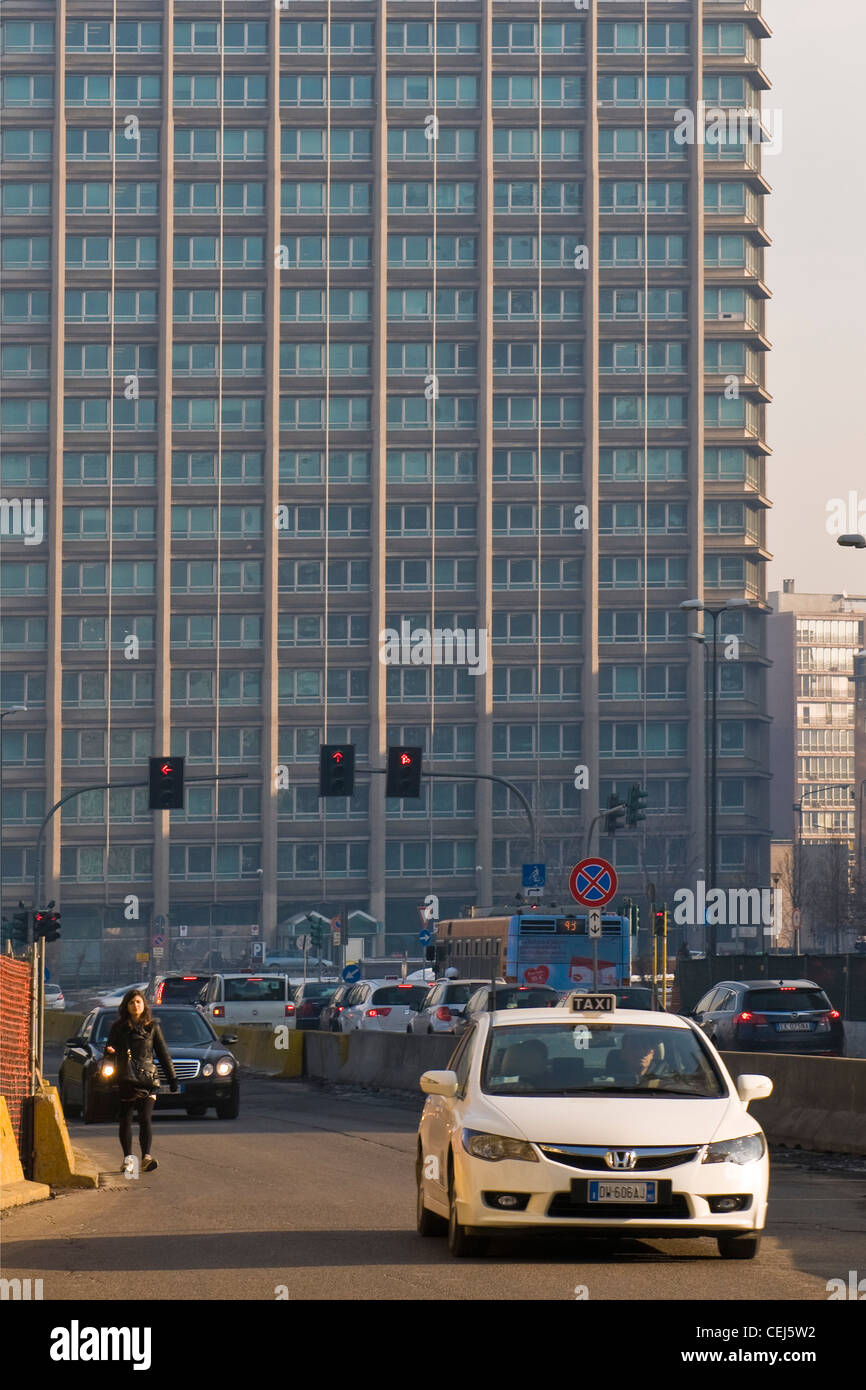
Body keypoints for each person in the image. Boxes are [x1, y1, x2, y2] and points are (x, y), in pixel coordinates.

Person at [103, 989, 178, 1174]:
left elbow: (163, 1054)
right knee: (126, 1119)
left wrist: (172, 1079)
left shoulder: (153, 1027)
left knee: (145, 1118)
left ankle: (146, 1157)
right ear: (126, 1007)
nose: (135, 1005)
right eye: (131, 1003)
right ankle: (128, 1160)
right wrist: (110, 1052)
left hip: (148, 1080)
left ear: (144, 1005)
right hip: (126, 1078)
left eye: (138, 1002)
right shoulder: (118, 1028)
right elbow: (109, 1050)